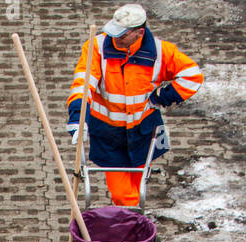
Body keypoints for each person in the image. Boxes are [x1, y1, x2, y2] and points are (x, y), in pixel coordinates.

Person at [66, 3, 202, 207]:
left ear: (139, 33)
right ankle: (130, 228)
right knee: (123, 196)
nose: (115, 39)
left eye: (122, 36)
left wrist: (161, 97)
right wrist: (78, 118)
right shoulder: (96, 47)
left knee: (137, 189)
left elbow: (192, 76)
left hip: (143, 133)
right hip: (108, 134)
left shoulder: (160, 51)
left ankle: (130, 226)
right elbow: (84, 85)